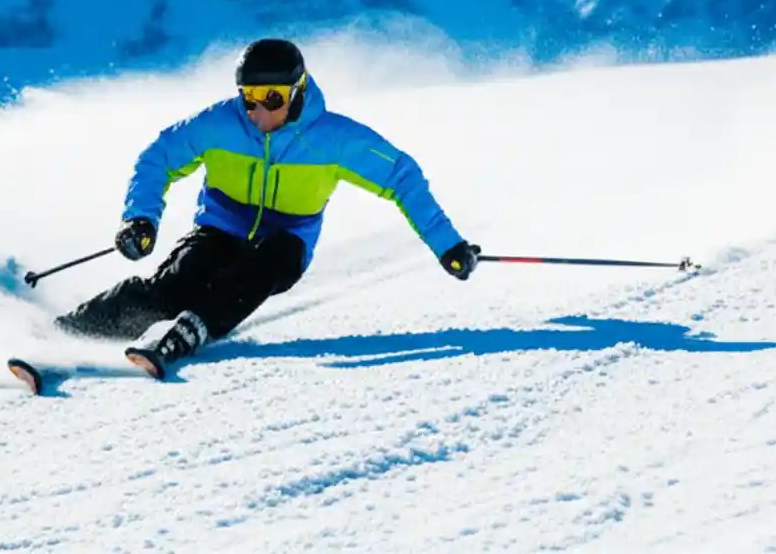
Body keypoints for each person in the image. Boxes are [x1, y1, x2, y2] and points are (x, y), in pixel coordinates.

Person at [55, 38, 480, 378]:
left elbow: (401, 177)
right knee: (176, 283)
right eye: (248, 97)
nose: (257, 110)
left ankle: (192, 329)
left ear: (297, 93)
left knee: (262, 268)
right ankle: (70, 330)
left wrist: (449, 246)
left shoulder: (332, 139)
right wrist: (140, 217)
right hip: (220, 228)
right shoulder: (222, 123)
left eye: (271, 98)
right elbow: (158, 157)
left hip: (287, 239)